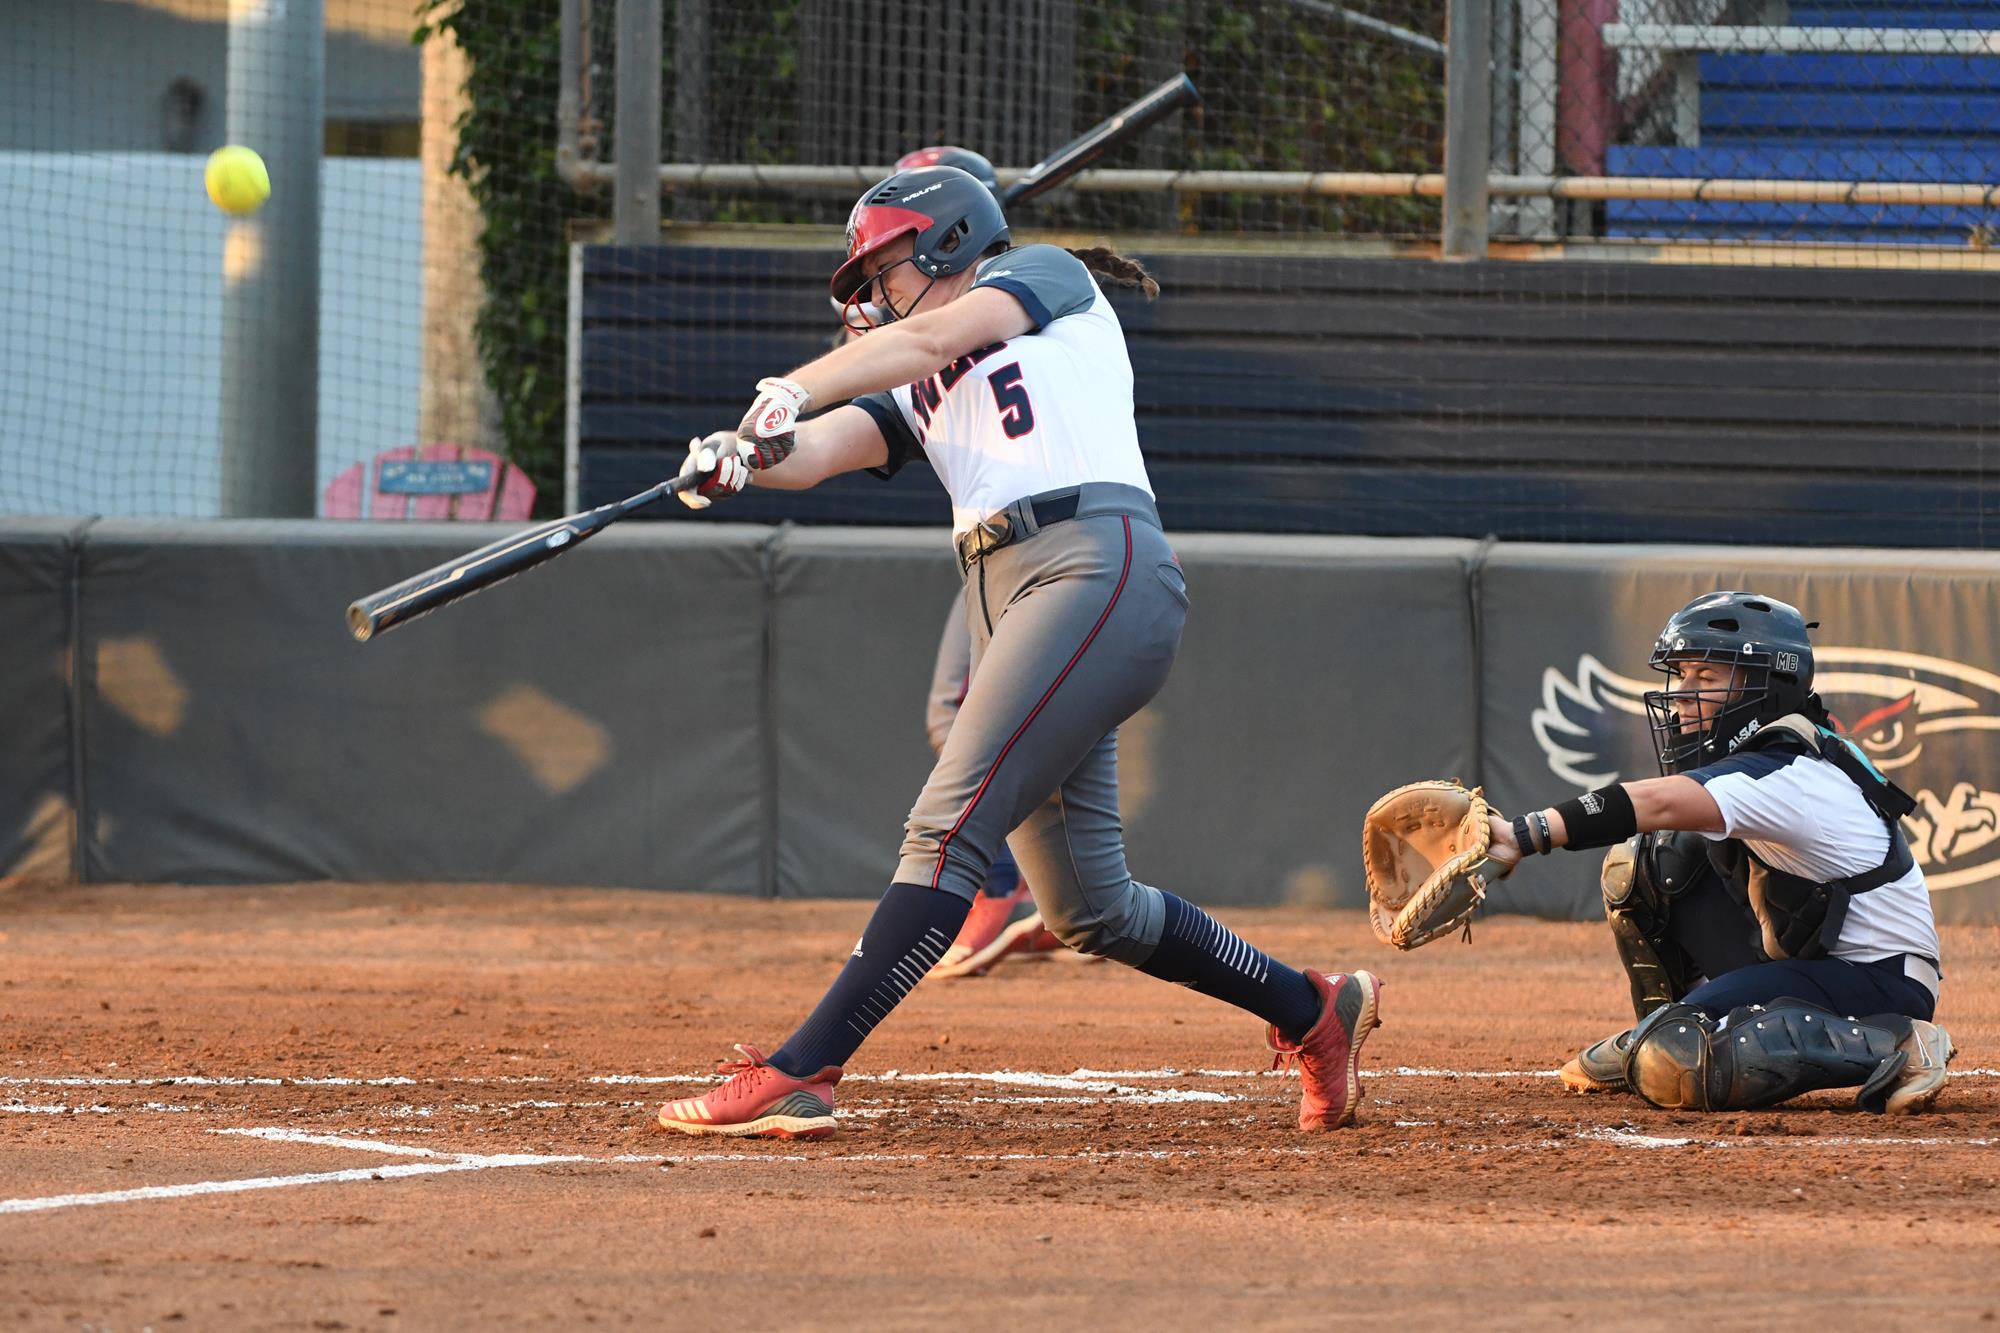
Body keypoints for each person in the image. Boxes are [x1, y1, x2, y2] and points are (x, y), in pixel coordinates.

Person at [655, 163, 1382, 1139]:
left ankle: (801, 1069)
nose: (875, 297)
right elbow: (820, 449)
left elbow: (929, 337)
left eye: (885, 270)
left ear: (950, 240)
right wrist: (740, 456)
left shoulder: (1039, 275)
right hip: (1003, 591)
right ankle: (1312, 1010)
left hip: (1090, 562)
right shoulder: (911, 375)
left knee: (946, 830)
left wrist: (788, 387)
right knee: (1090, 907)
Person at [1485, 592, 1953, 1115]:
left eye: (1705, 678)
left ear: (1766, 687)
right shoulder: (1768, 757)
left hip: (1881, 982)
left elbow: (1657, 802)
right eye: (1682, 675)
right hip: (1811, 958)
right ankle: (1671, 1028)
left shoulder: (1789, 771)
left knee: (1673, 1060)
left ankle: (1899, 1040)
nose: (1682, 697)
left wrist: (1522, 835)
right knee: (1647, 860)